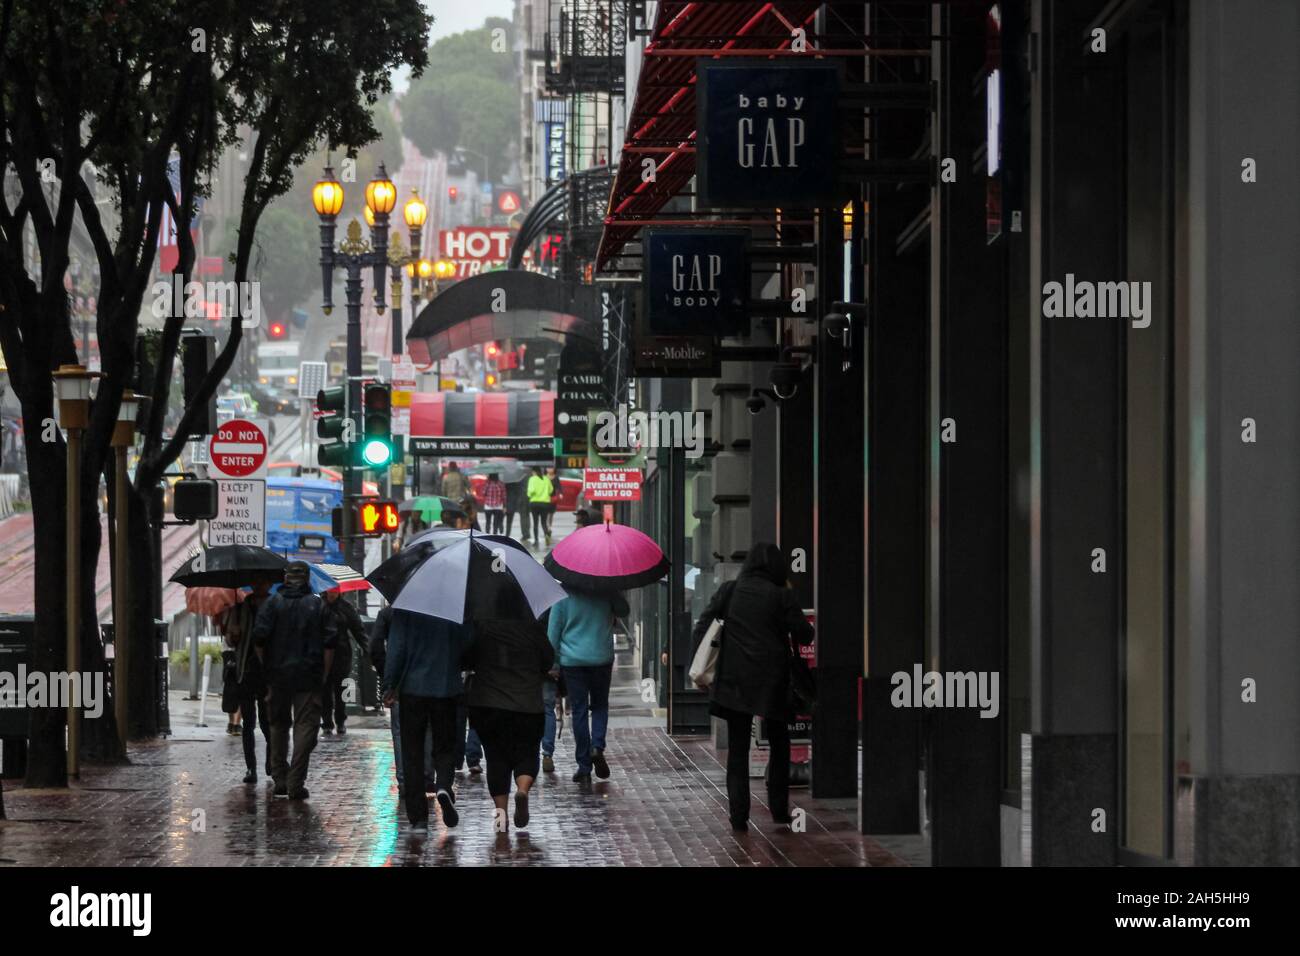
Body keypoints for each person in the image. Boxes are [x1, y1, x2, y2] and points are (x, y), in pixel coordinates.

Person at [690, 542, 814, 833]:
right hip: (773, 680)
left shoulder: (730, 591)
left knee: (737, 749)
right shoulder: (780, 595)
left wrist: (700, 669)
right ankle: (779, 809)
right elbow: (805, 634)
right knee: (780, 744)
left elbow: (703, 626)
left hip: (735, 680)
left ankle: (738, 815)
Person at [465, 590, 555, 832]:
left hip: (490, 705)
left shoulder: (483, 627)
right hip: (527, 704)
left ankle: (501, 817)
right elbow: (548, 659)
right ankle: (523, 791)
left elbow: (465, 658)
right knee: (527, 753)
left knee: (496, 759)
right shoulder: (532, 628)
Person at [252, 562, 338, 799]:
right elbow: (330, 644)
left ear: (286, 579)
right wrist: (324, 674)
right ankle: (295, 782)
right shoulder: (318, 605)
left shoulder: (272, 604)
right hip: (309, 676)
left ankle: (279, 777)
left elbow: (259, 639)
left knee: (278, 726)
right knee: (305, 728)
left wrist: (267, 667)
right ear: (308, 578)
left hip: (277, 676)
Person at [382, 608, 472, 831]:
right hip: (446, 687)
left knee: (412, 750)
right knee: (445, 745)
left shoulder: (405, 609)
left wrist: (389, 685)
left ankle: (418, 816)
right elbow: (468, 644)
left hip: (413, 689)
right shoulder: (456, 608)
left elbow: (396, 649)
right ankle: (442, 785)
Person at [547, 586, 628, 783]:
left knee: (579, 710)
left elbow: (553, 634)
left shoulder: (561, 596)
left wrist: (554, 664)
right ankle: (597, 746)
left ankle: (584, 765)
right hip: (601, 658)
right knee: (600, 705)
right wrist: (613, 591)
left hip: (573, 662)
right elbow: (624, 611)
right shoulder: (605, 591)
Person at [370, 603, 433, 800]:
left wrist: (385, 674)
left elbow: (375, 647)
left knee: (400, 731)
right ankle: (427, 776)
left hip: (399, 681)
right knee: (428, 727)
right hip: (429, 678)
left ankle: (405, 780)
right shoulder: (430, 611)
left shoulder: (388, 614)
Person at [220, 575, 275, 783]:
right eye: (256, 582)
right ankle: (251, 768)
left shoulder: (274, 606)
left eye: (262, 582)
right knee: (248, 723)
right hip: (244, 670)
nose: (259, 585)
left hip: (267, 671)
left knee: (267, 723)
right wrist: (232, 633)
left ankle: (272, 762)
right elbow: (230, 640)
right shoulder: (240, 608)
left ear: (269, 583)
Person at [321, 589, 369, 735]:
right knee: (324, 690)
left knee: (340, 688)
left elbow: (357, 629)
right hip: (323, 653)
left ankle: (340, 720)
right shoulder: (319, 606)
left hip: (341, 653)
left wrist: (367, 648)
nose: (333, 593)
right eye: (331, 590)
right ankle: (327, 722)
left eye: (336, 590)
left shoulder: (346, 607)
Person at [526, 466, 553, 547]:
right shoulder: (546, 479)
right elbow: (551, 490)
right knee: (544, 522)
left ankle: (536, 541)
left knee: (535, 523)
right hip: (545, 503)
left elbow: (531, 491)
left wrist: (529, 494)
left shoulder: (532, 479)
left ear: (534, 472)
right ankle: (546, 535)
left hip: (535, 503)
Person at [505, 475, 528, 541]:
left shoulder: (505, 483)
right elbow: (518, 493)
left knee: (506, 521)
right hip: (514, 504)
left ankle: (506, 533)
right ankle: (507, 534)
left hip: (507, 504)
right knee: (510, 521)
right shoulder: (517, 483)